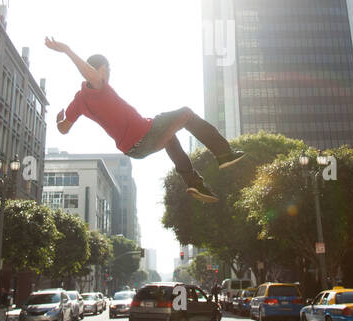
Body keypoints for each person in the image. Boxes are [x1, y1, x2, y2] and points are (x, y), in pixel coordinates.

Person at [45, 37, 243, 202]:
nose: (109, 74)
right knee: (186, 113)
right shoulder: (99, 86)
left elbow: (63, 129)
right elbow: (92, 75)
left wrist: (59, 121)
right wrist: (67, 50)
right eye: (108, 69)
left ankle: (194, 184)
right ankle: (224, 154)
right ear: (100, 70)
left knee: (170, 138)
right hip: (145, 133)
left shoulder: (78, 101)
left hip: (135, 149)